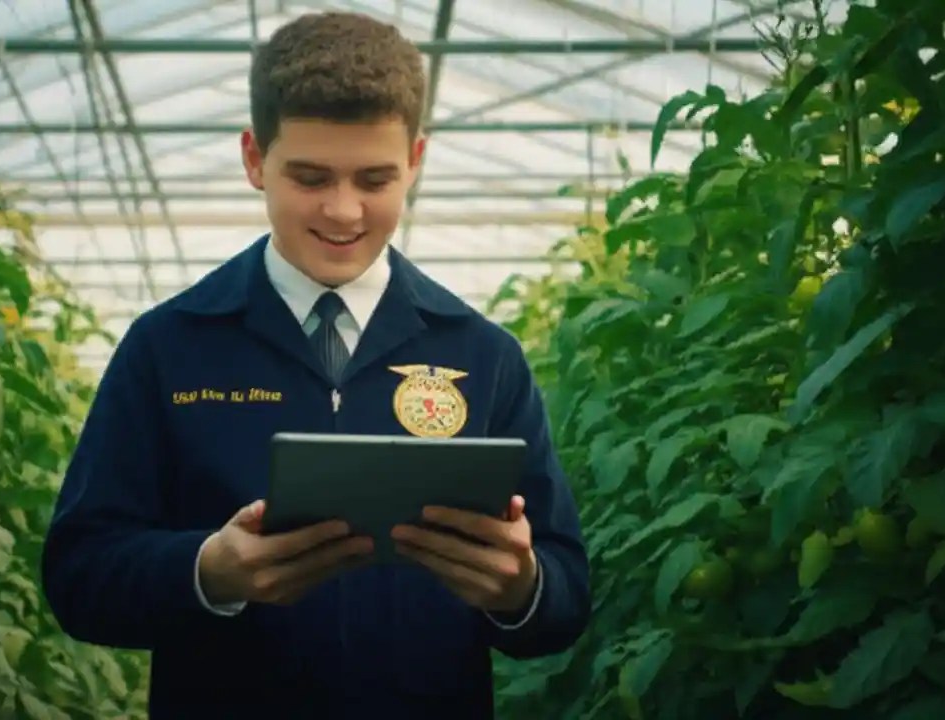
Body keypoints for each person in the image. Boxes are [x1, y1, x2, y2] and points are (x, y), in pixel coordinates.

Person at [41, 10, 590, 719]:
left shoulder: (480, 355)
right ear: (252, 159)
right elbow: (80, 576)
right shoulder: (168, 346)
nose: (342, 210)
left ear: (415, 163)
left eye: (375, 178)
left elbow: (566, 592)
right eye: (309, 177)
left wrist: (521, 586)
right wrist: (210, 570)